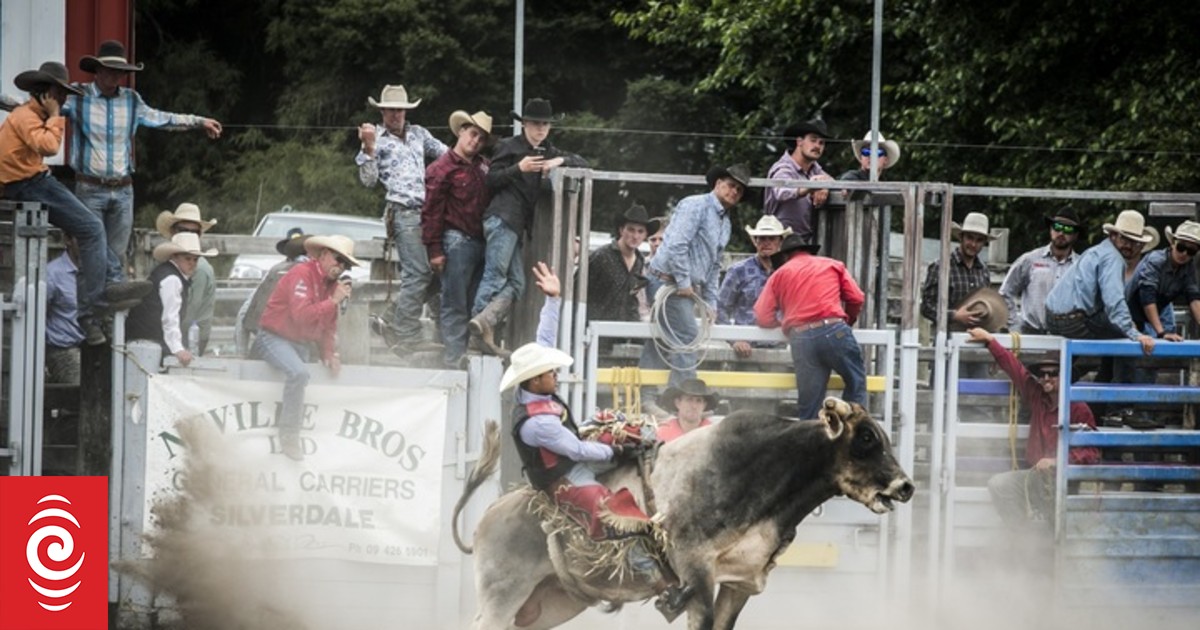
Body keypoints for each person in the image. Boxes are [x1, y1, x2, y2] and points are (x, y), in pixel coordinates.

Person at [502, 261, 692, 620]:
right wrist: (616, 448)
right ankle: (663, 588)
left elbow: (544, 341)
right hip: (565, 479)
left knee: (623, 426)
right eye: (549, 372)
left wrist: (554, 300)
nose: (555, 373)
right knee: (618, 515)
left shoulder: (532, 394)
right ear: (533, 380)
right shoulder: (538, 424)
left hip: (573, 453)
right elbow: (576, 450)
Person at [0, 61, 145, 346]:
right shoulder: (27, 116)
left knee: (89, 228)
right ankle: (92, 307)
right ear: (46, 94)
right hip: (28, 184)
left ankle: (106, 288)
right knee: (91, 228)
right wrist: (56, 116)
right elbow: (49, 147)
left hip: (29, 182)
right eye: (61, 94)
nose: (64, 100)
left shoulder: (24, 115)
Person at [66, 40, 222, 282]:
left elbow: (163, 119)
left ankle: (109, 313)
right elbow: (40, 107)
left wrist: (198, 121)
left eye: (118, 71)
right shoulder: (77, 95)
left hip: (122, 187)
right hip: (90, 185)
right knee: (93, 250)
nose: (113, 75)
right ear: (97, 70)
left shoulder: (131, 100)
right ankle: (93, 310)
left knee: (115, 252)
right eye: (108, 69)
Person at [470, 98, 588, 355]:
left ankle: (483, 324)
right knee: (496, 276)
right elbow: (491, 181)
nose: (541, 129)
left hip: (515, 223)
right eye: (536, 123)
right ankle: (476, 333)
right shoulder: (508, 146)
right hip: (502, 218)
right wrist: (518, 168)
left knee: (517, 283)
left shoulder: (548, 151)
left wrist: (560, 162)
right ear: (524, 124)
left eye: (545, 124)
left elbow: (583, 161)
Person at [966, 328, 1099, 528]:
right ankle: (1021, 536)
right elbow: (1015, 369)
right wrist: (990, 341)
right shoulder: (1037, 396)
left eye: (1053, 373)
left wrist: (1056, 461)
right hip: (1036, 476)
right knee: (999, 484)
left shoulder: (1079, 408)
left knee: (1054, 521)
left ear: (1065, 375)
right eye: (1042, 373)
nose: (1046, 378)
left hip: (1064, 480)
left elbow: (1092, 452)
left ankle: (1045, 544)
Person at [640, 163, 748, 389]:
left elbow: (715, 263)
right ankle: (683, 398)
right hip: (667, 282)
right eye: (731, 186)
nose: (734, 192)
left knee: (665, 337)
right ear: (718, 184)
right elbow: (676, 245)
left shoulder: (724, 222)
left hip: (681, 287)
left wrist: (709, 300)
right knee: (688, 336)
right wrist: (684, 281)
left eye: (739, 190)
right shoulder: (695, 205)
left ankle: (649, 397)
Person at [357, 85, 447, 353]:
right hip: (403, 210)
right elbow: (368, 180)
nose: (396, 115)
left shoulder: (419, 133)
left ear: (406, 112)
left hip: (427, 212)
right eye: (391, 110)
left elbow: (448, 155)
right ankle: (407, 333)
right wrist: (369, 148)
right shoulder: (377, 139)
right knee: (419, 272)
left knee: (437, 272)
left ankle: (392, 317)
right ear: (382, 111)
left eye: (400, 110)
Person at [254, 235, 359, 460]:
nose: (340, 266)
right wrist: (333, 302)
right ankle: (289, 435)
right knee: (299, 373)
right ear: (323, 255)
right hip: (273, 337)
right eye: (338, 259)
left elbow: (328, 326)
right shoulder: (302, 274)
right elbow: (302, 317)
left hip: (296, 342)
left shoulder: (330, 285)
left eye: (345, 263)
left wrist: (328, 352)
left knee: (304, 374)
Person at [754, 234, 867, 419]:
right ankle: (850, 427)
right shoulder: (832, 265)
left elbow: (762, 315)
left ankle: (811, 442)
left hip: (801, 336)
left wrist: (783, 325)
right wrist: (848, 322)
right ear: (808, 250)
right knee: (856, 382)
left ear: (785, 256)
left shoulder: (779, 275)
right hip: (833, 329)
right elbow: (856, 298)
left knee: (809, 404)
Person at [422, 110, 493, 368]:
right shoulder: (441, 168)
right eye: (473, 134)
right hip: (456, 240)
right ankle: (454, 359)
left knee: (474, 301)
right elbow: (430, 211)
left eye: (481, 138)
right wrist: (435, 250)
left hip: (480, 241)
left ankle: (464, 355)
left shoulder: (484, 166)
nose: (475, 141)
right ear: (461, 132)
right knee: (454, 302)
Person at [1045, 210, 1157, 359]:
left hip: (1053, 317)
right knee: (1123, 340)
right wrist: (1135, 333)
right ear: (1113, 236)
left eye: (1135, 242)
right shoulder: (1113, 259)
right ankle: (1114, 378)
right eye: (1125, 239)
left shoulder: (1097, 251)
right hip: (1073, 319)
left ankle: (1065, 375)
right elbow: (1114, 300)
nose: (1129, 245)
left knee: (1115, 329)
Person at [126, 232, 218, 366]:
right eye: (188, 258)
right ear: (175, 256)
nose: (192, 263)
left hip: (145, 339)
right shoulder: (172, 279)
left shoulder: (167, 273)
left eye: (195, 259)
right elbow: (170, 317)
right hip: (146, 341)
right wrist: (178, 349)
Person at [717, 215, 790, 358]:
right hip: (745, 348)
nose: (766, 243)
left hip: (779, 346)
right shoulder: (739, 271)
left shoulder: (789, 272)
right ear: (755, 241)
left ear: (780, 242)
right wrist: (735, 340)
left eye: (772, 238)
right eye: (762, 238)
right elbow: (720, 308)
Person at [999, 209, 1083, 334]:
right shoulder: (1030, 260)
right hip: (1030, 333)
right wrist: (1015, 325)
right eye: (1057, 227)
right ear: (1050, 229)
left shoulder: (1082, 266)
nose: (1061, 232)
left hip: (1067, 336)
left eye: (1068, 229)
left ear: (1075, 235)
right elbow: (1005, 293)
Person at [235, 228, 310, 356]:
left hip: (274, 341)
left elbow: (244, 314)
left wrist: (241, 353)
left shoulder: (276, 271)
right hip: (287, 343)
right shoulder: (312, 273)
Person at [156, 203, 218, 355]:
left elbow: (188, 313)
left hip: (190, 337)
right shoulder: (178, 265)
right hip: (177, 333)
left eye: (194, 232)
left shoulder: (199, 269)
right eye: (183, 230)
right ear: (173, 231)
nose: (189, 235)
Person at [1127, 220, 1200, 342]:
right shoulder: (1156, 261)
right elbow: (1147, 297)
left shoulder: (1188, 267)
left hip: (1151, 318)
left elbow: (1193, 297)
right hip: (1128, 317)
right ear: (1173, 243)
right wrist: (1161, 333)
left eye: (1191, 251)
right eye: (1181, 247)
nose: (1184, 253)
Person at [763, 119, 834, 242]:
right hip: (778, 242)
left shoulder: (814, 169)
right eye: (813, 140)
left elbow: (834, 182)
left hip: (803, 242)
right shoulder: (783, 168)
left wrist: (825, 186)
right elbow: (782, 192)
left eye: (821, 143)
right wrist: (811, 187)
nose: (817, 146)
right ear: (799, 141)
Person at [587, 204, 659, 325]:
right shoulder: (601, 256)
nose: (635, 236)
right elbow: (578, 292)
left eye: (640, 231)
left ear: (645, 235)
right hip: (596, 329)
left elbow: (633, 300)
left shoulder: (640, 262)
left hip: (626, 332)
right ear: (621, 230)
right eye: (631, 229)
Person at [45, 234, 84, 385]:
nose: (88, 244)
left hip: (91, 348)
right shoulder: (52, 274)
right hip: (63, 349)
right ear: (68, 240)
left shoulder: (95, 271)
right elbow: (38, 316)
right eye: (82, 238)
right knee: (80, 387)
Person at [656, 378, 717, 442]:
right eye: (689, 400)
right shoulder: (664, 432)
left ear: (704, 405)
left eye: (699, 401)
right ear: (678, 403)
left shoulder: (712, 433)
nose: (694, 406)